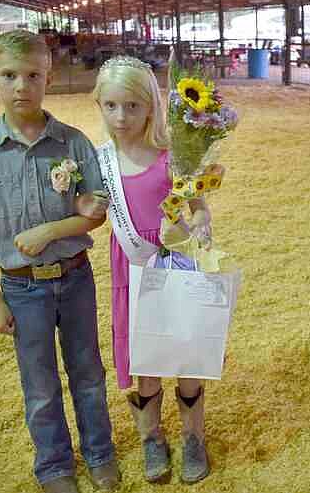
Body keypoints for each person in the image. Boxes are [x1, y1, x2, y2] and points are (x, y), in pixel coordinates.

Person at [0, 30, 119, 493]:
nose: (22, 85)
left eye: (32, 75)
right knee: (40, 384)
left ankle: (100, 454)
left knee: (88, 371)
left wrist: (54, 228)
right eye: (9, 76)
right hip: (21, 289)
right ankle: (54, 466)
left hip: (76, 278)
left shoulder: (74, 144)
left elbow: (95, 214)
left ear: (49, 78)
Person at [77, 56, 213, 484]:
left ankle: (193, 436)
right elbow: (92, 213)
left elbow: (197, 203)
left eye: (133, 106)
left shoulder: (172, 155)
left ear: (151, 106)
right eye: (112, 106)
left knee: (188, 348)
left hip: (176, 258)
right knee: (145, 356)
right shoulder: (99, 162)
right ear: (99, 105)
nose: (122, 116)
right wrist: (83, 208)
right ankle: (150, 437)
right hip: (131, 267)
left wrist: (202, 219)